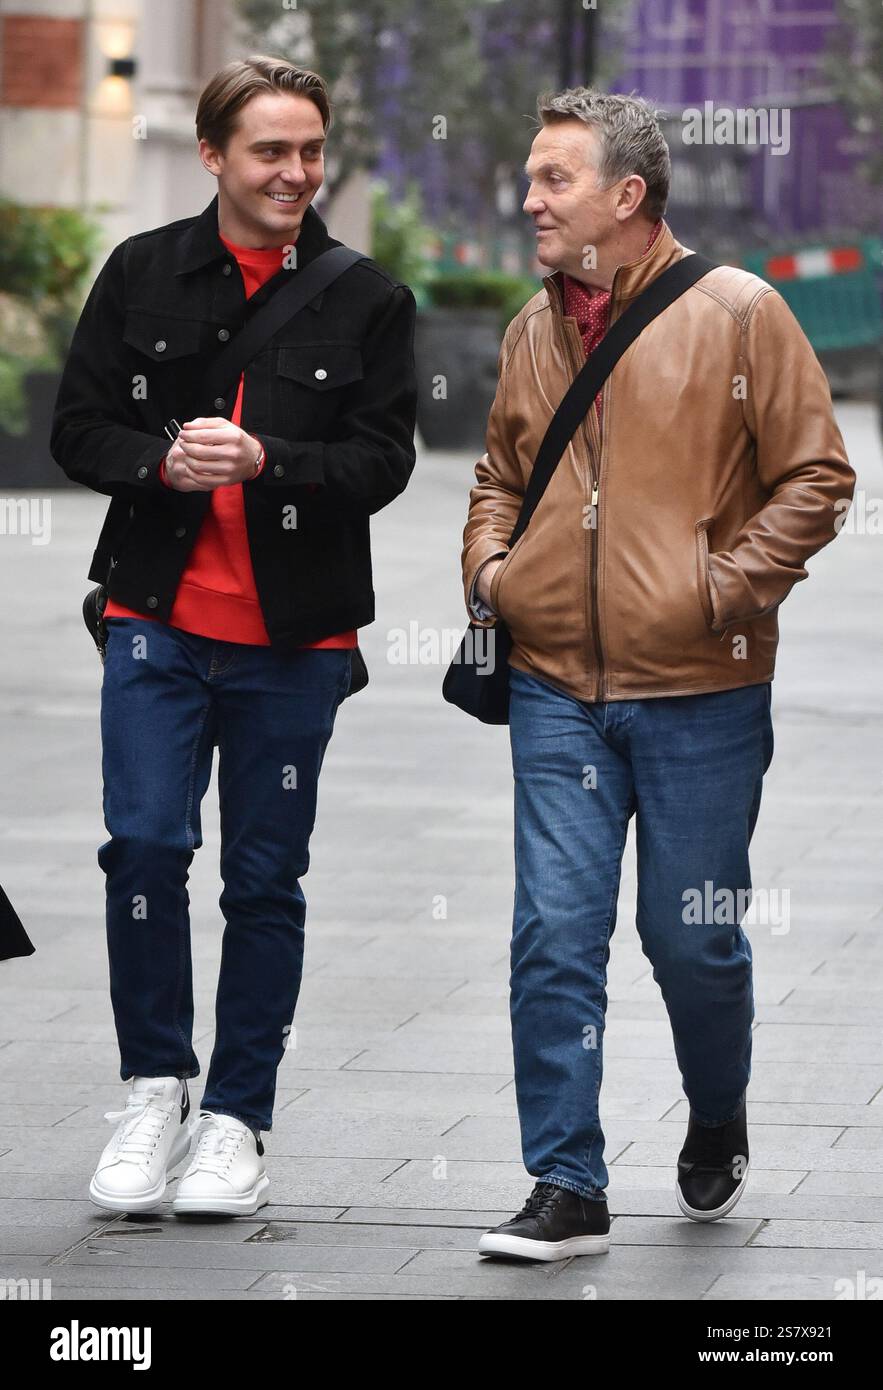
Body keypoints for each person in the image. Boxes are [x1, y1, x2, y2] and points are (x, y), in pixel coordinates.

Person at [459, 88, 855, 1261]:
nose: (528, 199)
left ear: (624, 197)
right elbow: (498, 472)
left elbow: (816, 477)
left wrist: (716, 590)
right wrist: (490, 572)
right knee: (553, 934)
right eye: (529, 178)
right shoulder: (532, 328)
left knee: (692, 940)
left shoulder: (741, 313)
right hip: (553, 688)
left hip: (702, 691)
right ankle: (568, 1183)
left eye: (552, 180)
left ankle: (716, 1103)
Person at [50, 55, 417, 1217]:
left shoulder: (368, 297)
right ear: (213, 155)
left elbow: (383, 462)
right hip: (154, 623)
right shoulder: (142, 270)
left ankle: (235, 1121)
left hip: (293, 646)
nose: (295, 173)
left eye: (309, 151)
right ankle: (154, 1084)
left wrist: (272, 464)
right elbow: (76, 429)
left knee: (265, 880)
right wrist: (158, 459)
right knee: (147, 850)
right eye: (270, 151)